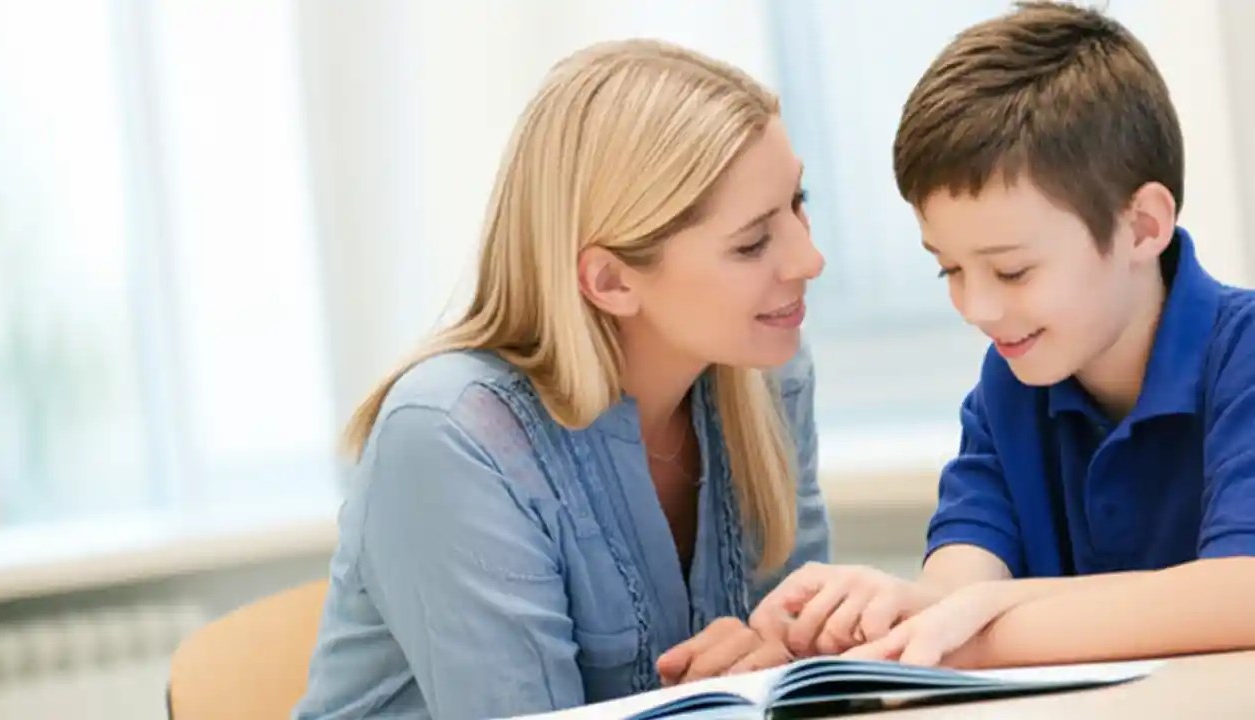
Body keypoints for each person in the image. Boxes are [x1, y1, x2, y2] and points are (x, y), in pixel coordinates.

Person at [295, 38, 830, 719]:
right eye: (752, 242)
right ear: (609, 280)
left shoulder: (770, 378)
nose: (808, 258)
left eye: (798, 201)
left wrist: (777, 662)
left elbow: (809, 662)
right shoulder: (450, 440)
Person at [750, 1, 1255, 669]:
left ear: (1141, 227)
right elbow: (955, 590)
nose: (977, 307)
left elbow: (1240, 592)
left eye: (1012, 270)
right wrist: (884, 611)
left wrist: (967, 629)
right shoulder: (1009, 388)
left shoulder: (1241, 355)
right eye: (949, 270)